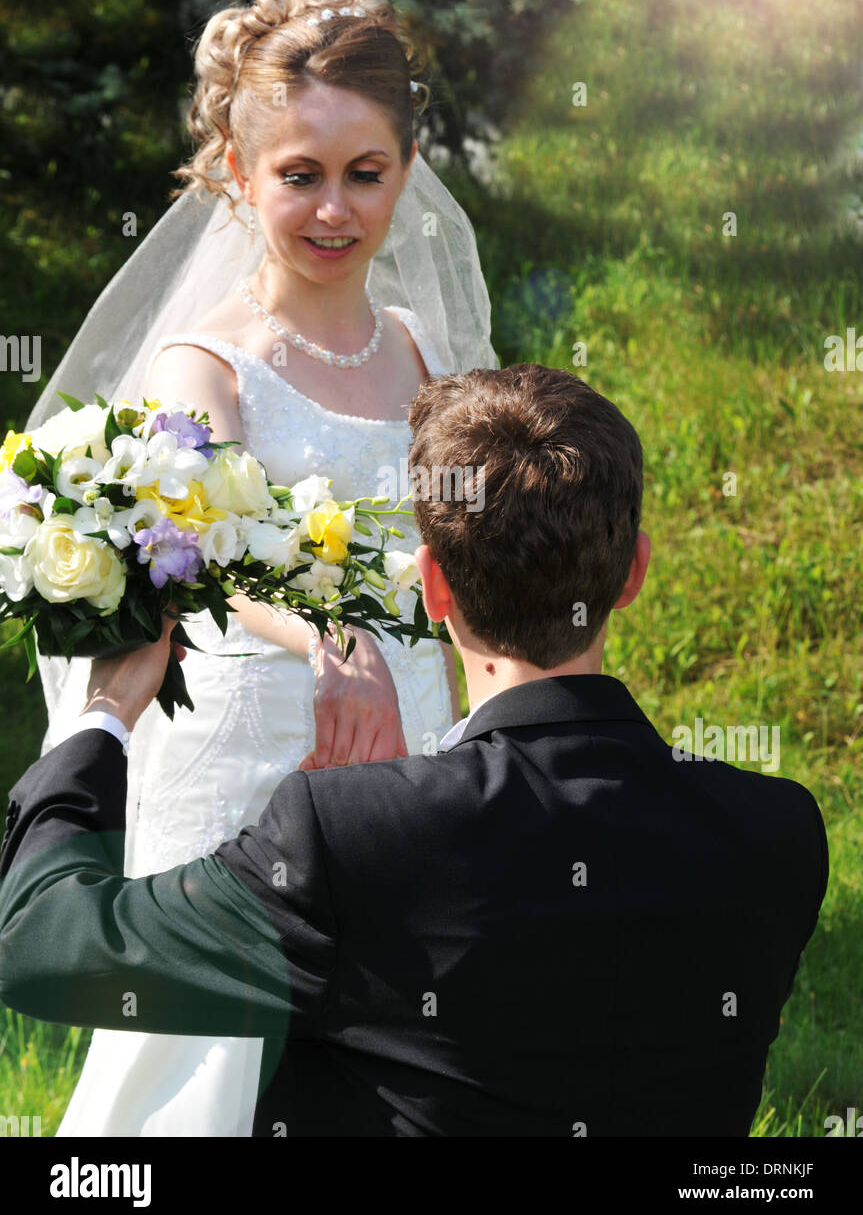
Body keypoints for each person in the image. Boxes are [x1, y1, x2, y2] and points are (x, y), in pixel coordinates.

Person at [0, 365, 828, 1137]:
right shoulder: (778, 831)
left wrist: (101, 713)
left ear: (431, 586)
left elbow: (45, 943)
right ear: (633, 574)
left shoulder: (344, 834)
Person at [25, 0, 497, 1135]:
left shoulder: (420, 346)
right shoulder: (209, 362)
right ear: (237, 175)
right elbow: (209, 557)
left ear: (405, 169)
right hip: (248, 731)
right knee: (212, 1047)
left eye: (363, 174)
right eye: (299, 176)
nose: (333, 209)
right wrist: (331, 642)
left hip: (406, 724)